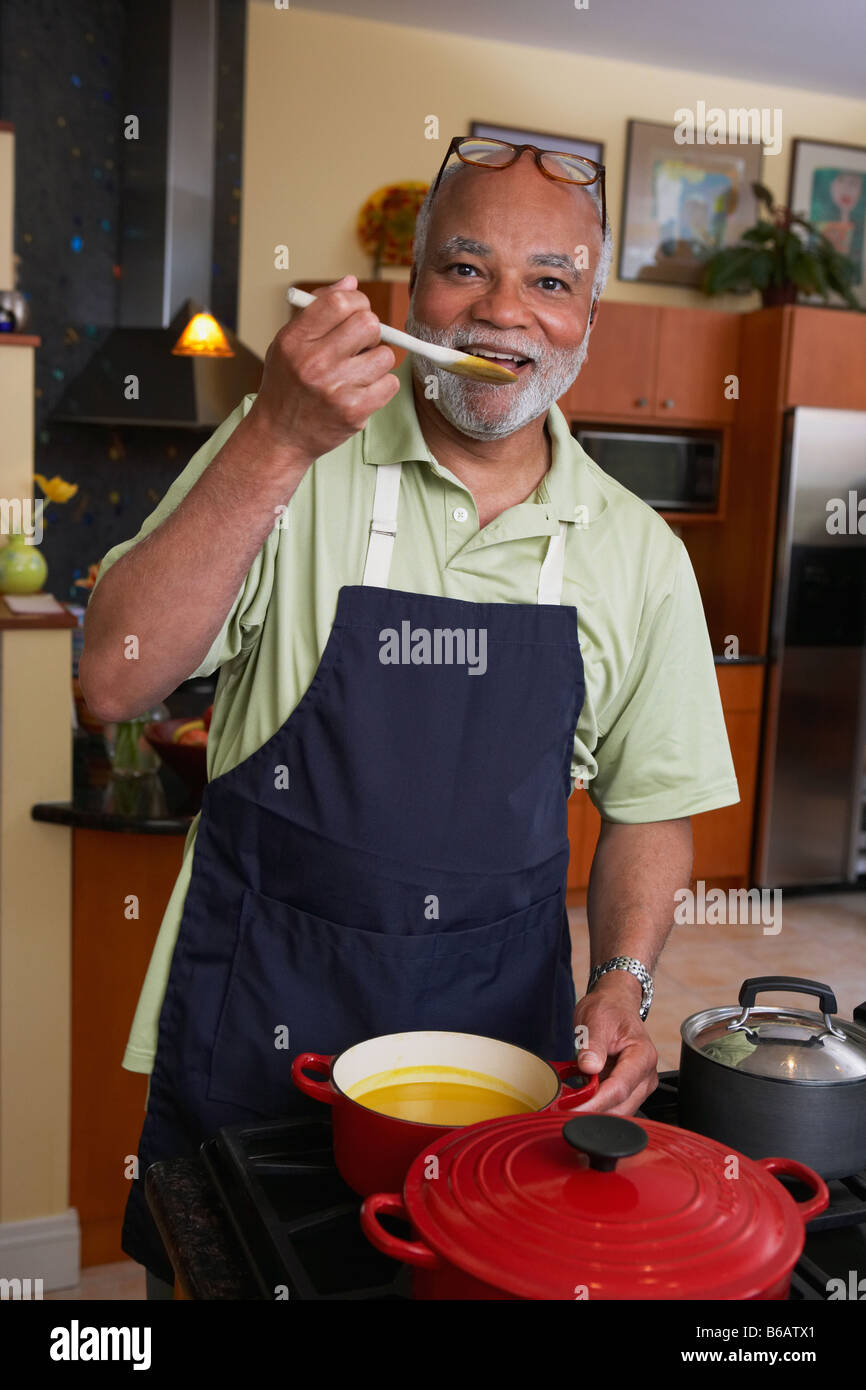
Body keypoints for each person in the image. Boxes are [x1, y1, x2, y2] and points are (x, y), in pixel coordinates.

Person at [80, 137, 739, 1293]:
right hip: (259, 1042)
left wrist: (624, 984)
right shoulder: (286, 459)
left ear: (587, 317)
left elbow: (650, 810)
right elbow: (113, 683)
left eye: (548, 281)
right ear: (408, 292)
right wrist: (275, 433)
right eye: (463, 268)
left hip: (502, 1071)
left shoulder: (639, 555)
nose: (501, 313)